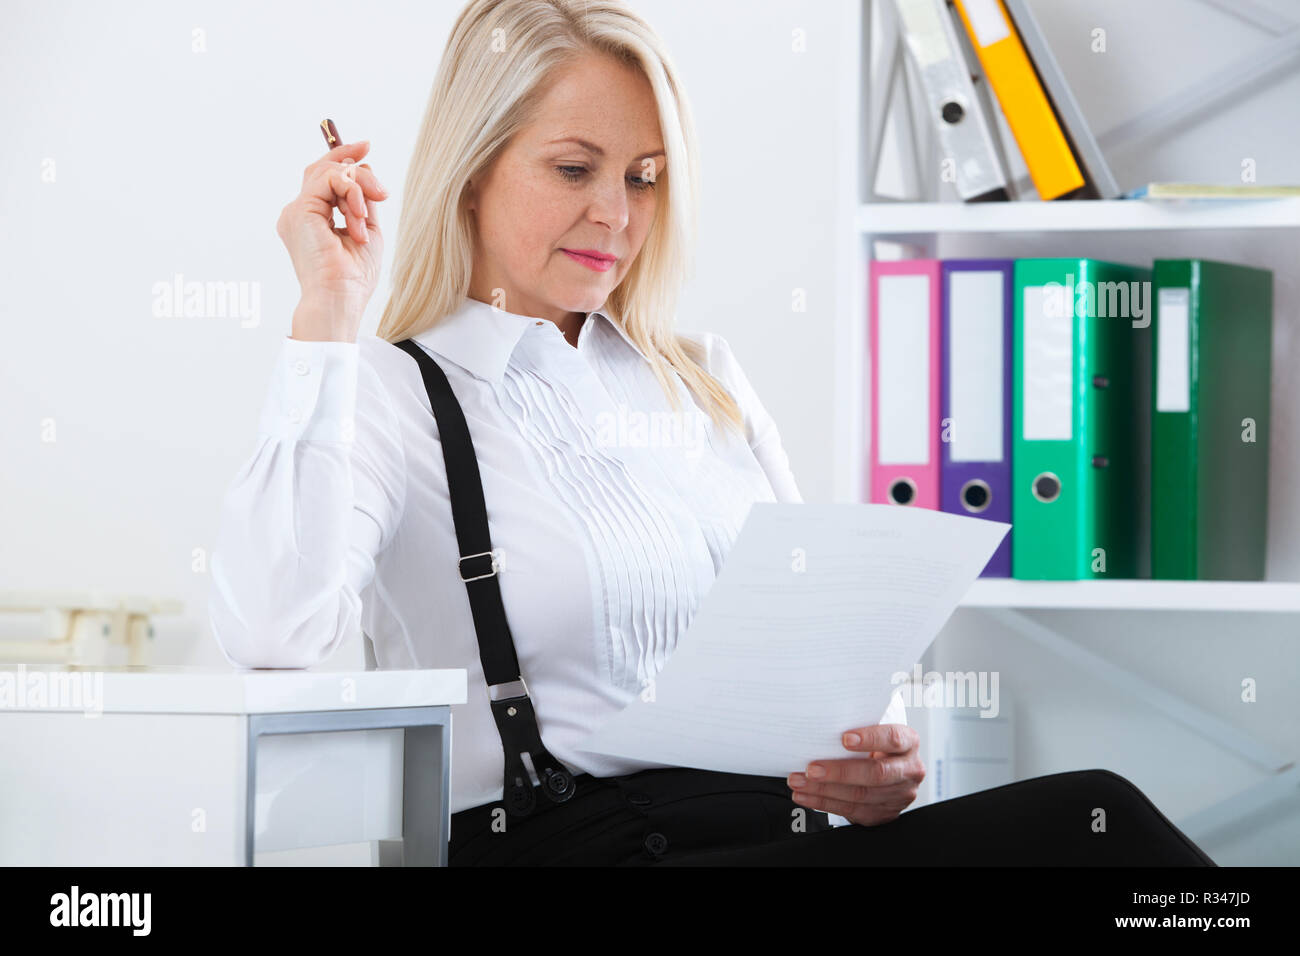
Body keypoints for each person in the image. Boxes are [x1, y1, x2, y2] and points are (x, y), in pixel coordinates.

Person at [208, 0, 1214, 867]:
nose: (615, 213)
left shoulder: (702, 378)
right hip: (567, 848)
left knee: (1105, 839)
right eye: (573, 168)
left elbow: (821, 668)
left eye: (643, 176)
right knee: (1098, 829)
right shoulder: (388, 390)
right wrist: (328, 315)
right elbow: (270, 631)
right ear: (471, 171)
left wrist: (876, 758)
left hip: (779, 838)